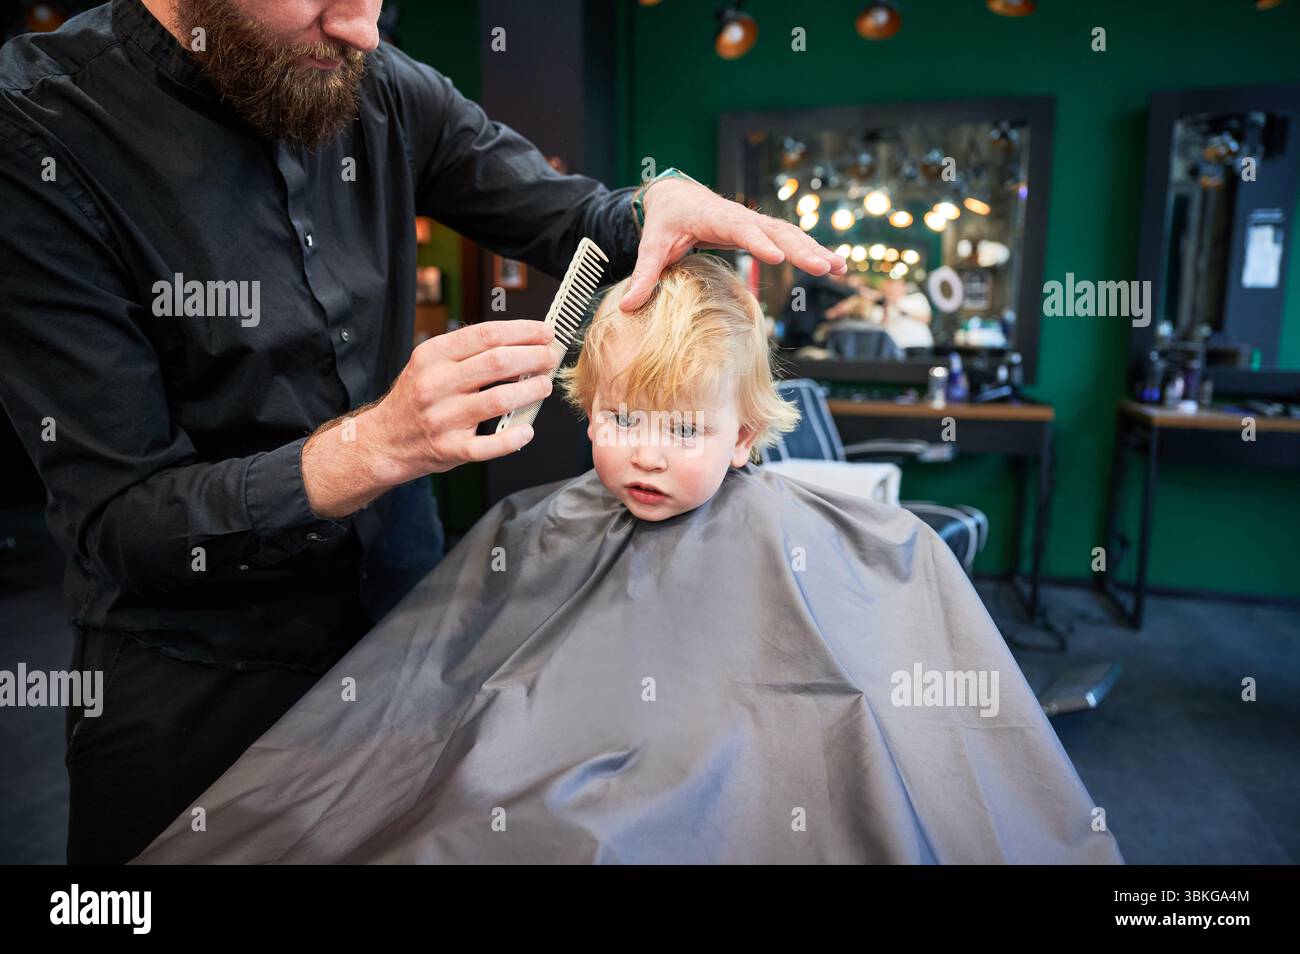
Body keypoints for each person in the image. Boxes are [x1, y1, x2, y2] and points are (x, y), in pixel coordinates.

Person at [0, 0, 845, 864]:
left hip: (409, 638)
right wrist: (375, 448)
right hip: (200, 687)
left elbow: (570, 215)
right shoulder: (40, 134)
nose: (363, 31)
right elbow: (116, 521)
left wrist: (650, 209)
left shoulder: (380, 81)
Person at [132, 256, 1124, 864]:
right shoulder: (533, 524)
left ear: (744, 436)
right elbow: (453, 681)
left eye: (682, 427)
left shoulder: (837, 544)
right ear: (587, 407)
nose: (645, 449)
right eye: (620, 417)